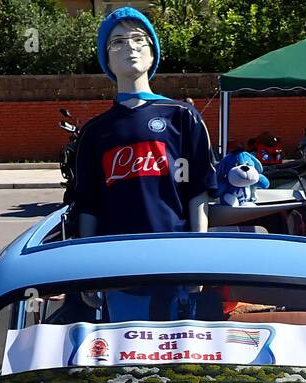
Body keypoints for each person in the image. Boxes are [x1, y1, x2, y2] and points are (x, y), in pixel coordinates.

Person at [72, 7, 216, 236]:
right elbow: (88, 206)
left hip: (174, 249)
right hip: (114, 256)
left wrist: (197, 244)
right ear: (106, 58)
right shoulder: (94, 132)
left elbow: (199, 189)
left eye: (139, 38)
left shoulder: (183, 116)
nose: (130, 46)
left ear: (153, 52)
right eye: (118, 41)